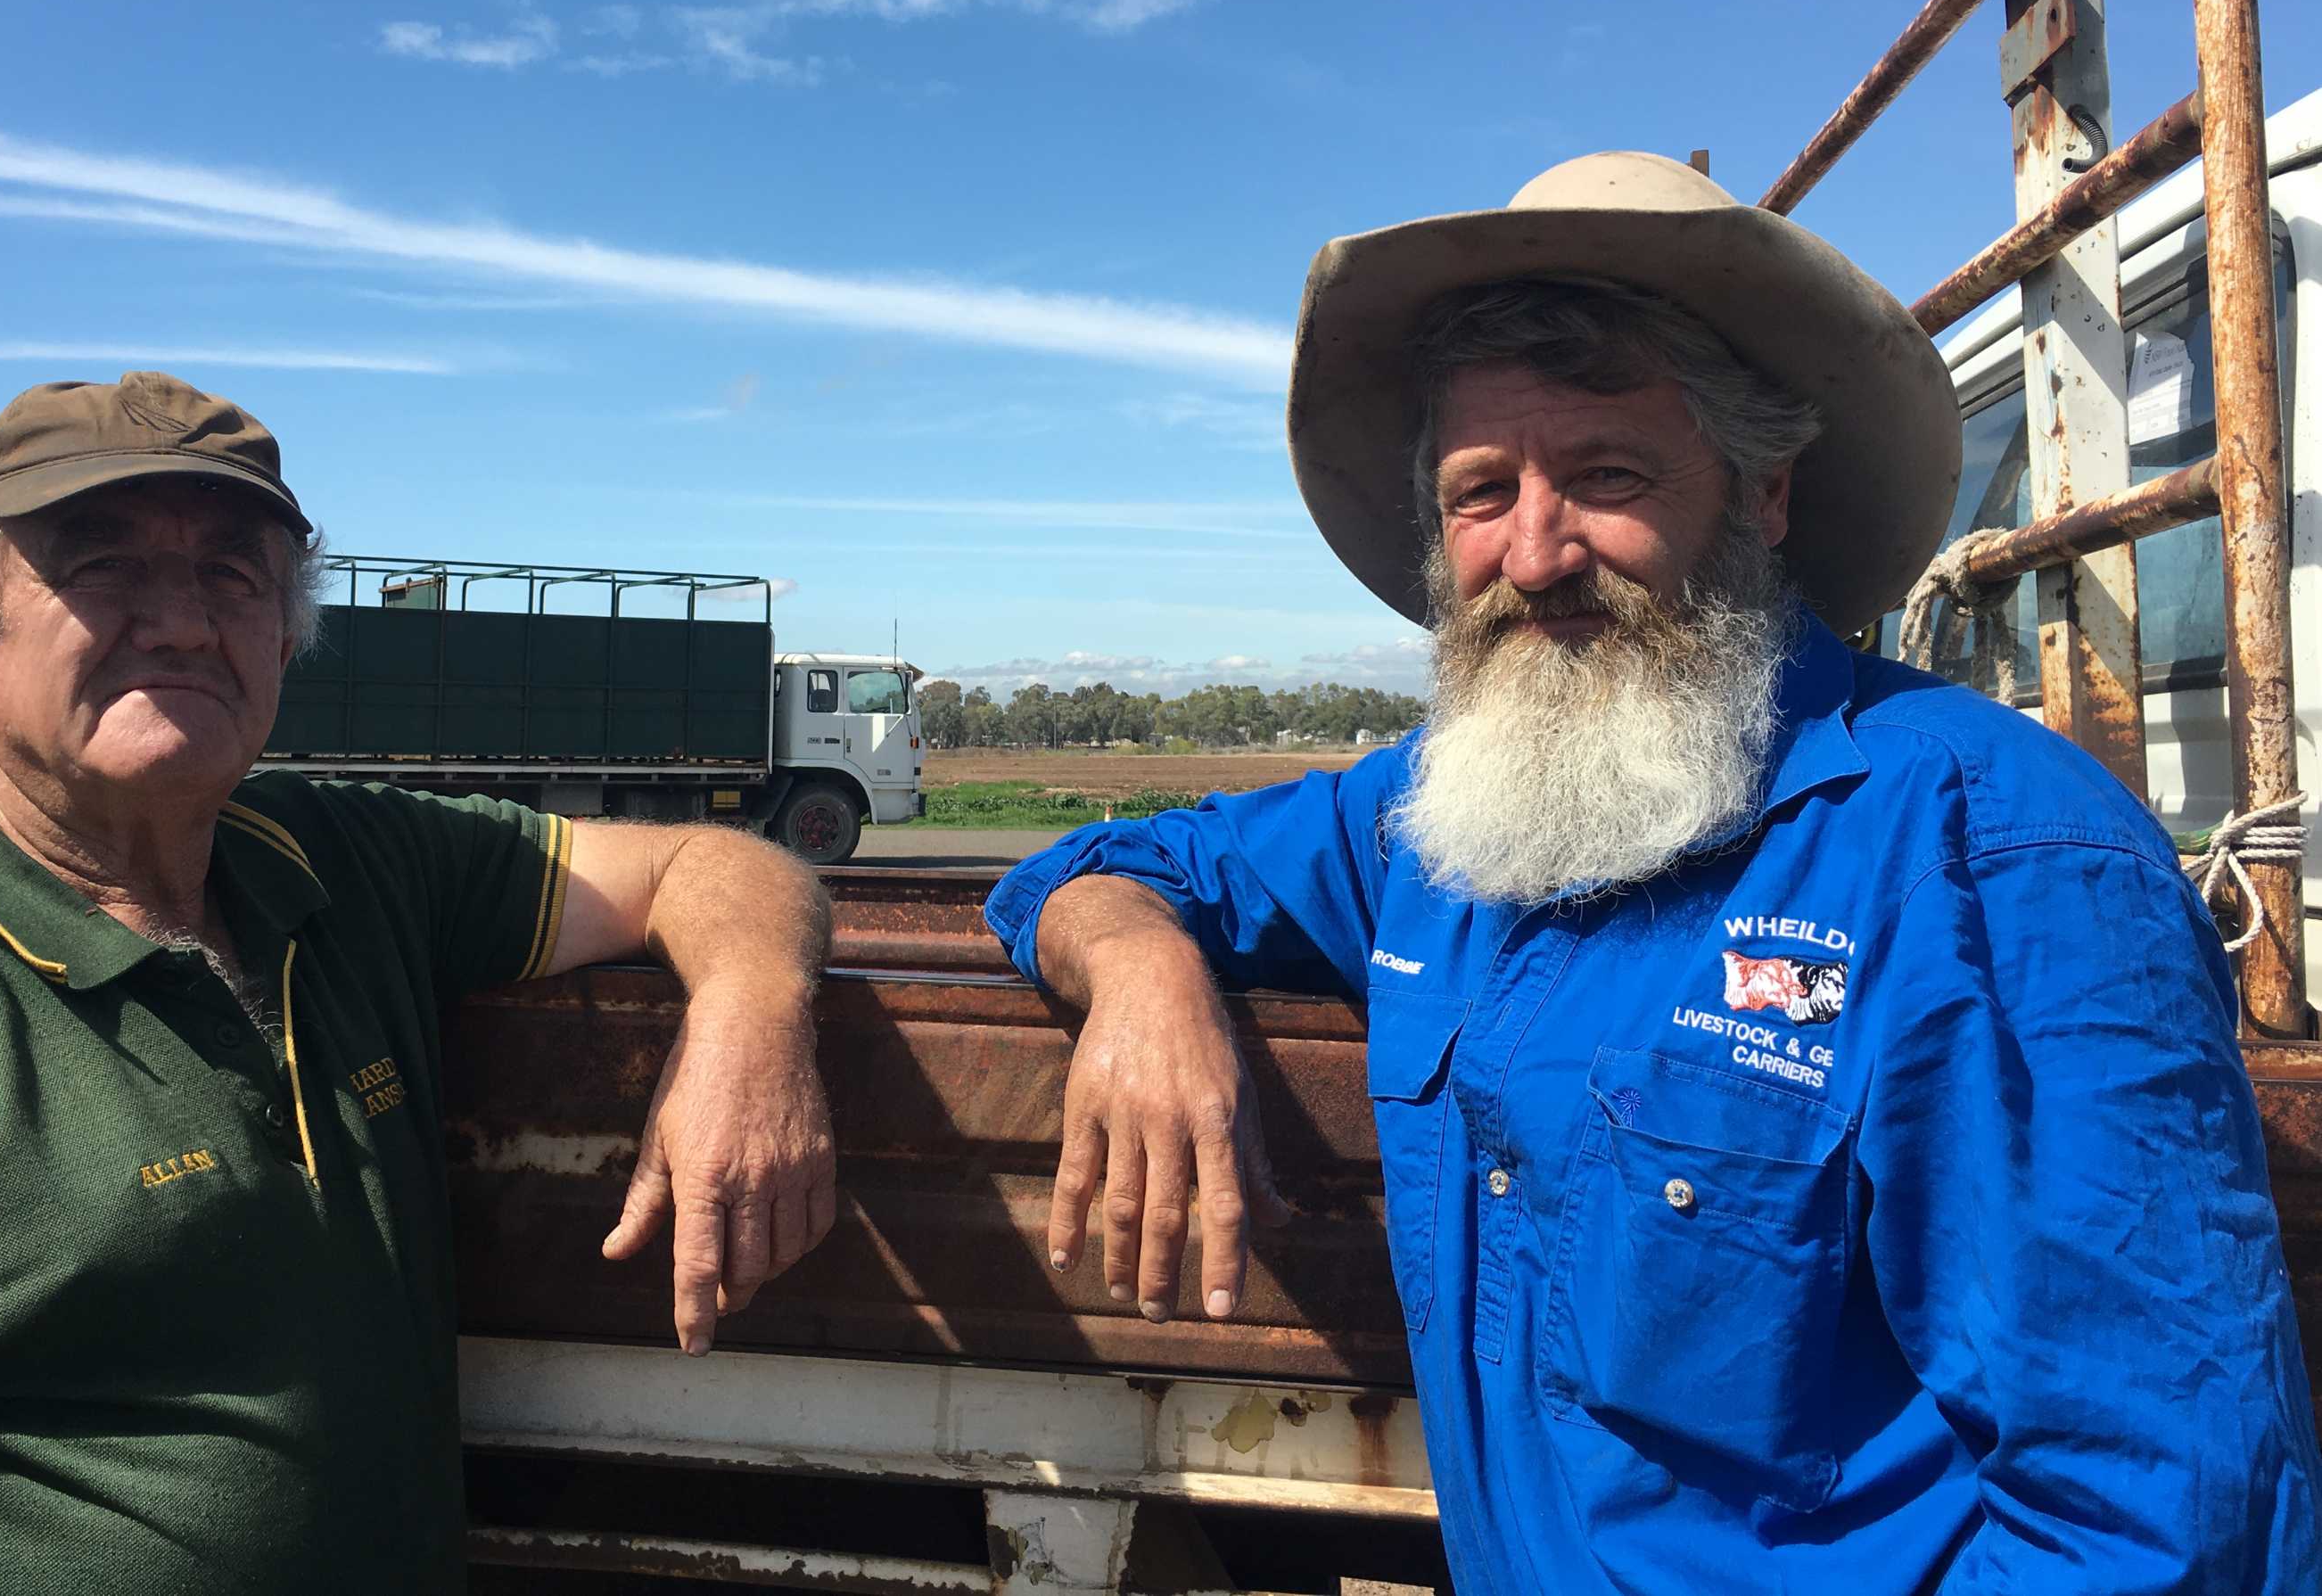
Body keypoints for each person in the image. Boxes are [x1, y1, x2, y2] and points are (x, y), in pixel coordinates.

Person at [984, 153, 2320, 1591]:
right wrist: (1135, 970)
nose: (1538, 550)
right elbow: (1108, 863)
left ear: (1765, 495)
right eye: (1482, 490)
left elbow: (2167, 1536)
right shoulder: (1443, 817)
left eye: (1607, 475)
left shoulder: (1989, 855)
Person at [0, 372, 836, 1593]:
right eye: (98, 563)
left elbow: (712, 861)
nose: (180, 619)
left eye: (233, 571)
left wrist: (752, 1011)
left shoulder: (351, 864)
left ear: (282, 635)